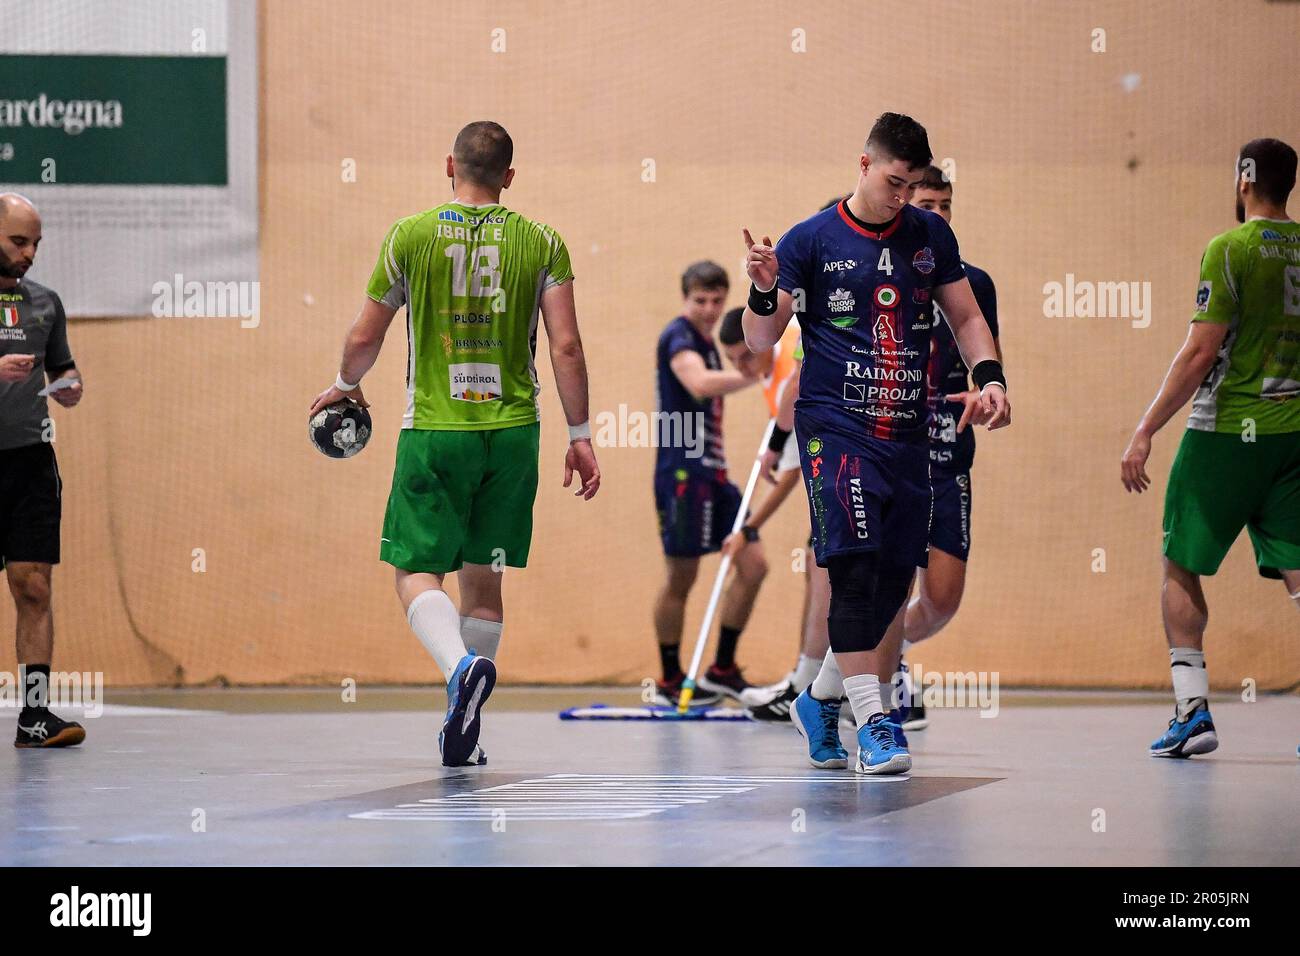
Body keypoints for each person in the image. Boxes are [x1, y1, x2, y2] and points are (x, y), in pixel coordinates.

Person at [310, 121, 600, 766]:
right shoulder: (543, 241)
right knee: (485, 585)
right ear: (510, 175)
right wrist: (580, 435)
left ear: (450, 165)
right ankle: (467, 731)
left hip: (436, 431)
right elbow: (567, 345)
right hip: (514, 434)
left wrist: (342, 385)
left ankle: (458, 668)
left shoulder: (409, 236)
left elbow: (365, 336)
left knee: (415, 572)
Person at [742, 113, 1010, 775]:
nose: (901, 195)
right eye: (894, 181)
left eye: (911, 184)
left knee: (894, 579)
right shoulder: (811, 239)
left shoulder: (929, 237)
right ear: (864, 165)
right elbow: (757, 339)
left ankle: (819, 700)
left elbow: (967, 312)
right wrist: (763, 286)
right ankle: (877, 722)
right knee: (854, 572)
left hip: (908, 431)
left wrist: (991, 375)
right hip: (836, 428)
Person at [1121, 137, 1300, 759]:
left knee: (1181, 560)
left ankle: (1192, 710)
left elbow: (1200, 352)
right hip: (1292, 435)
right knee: (1299, 571)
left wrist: (1146, 428)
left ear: (1245, 179)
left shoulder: (1230, 248)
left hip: (1226, 432)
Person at [878, 164, 1003, 733]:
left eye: (947, 204)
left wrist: (989, 392)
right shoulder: (881, 270)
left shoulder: (972, 282)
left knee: (944, 598)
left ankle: (882, 652)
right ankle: (874, 697)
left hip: (949, 454)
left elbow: (988, 358)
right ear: (904, 202)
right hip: (892, 452)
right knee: (889, 581)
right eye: (927, 203)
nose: (938, 215)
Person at [651, 265, 766, 706]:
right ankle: (668, 678)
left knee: (753, 565)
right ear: (686, 299)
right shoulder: (677, 337)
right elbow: (697, 383)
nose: (709, 309)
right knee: (682, 577)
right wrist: (758, 376)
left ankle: (722, 669)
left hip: (717, 475)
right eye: (700, 300)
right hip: (683, 475)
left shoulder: (712, 345)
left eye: (717, 301)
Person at [0, 193, 86, 748]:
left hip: (30, 461)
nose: (29, 253)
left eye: (35, 243)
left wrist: (69, 385)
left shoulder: (45, 304)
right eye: (18, 241)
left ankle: (34, 717)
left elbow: (63, 370)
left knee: (33, 585)